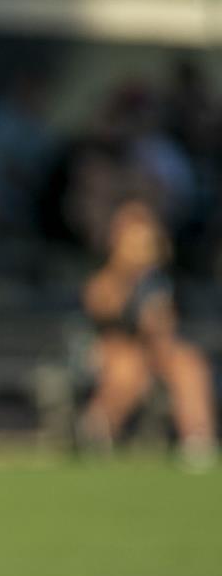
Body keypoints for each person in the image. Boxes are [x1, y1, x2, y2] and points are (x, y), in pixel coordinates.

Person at [79, 198, 217, 471]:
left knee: (189, 364)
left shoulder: (158, 281)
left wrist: (155, 319)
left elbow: (164, 326)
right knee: (128, 370)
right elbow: (100, 308)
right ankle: (99, 428)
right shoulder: (105, 276)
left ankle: (197, 438)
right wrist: (126, 277)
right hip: (115, 349)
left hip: (156, 349)